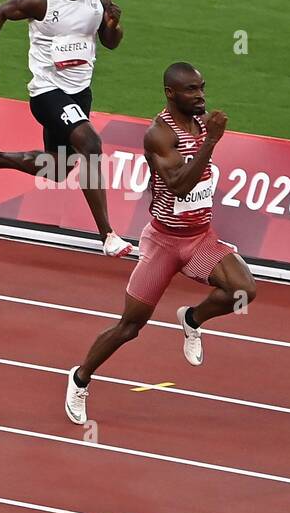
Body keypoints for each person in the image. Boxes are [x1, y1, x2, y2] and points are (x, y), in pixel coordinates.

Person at [64, 63, 257, 423]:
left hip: (200, 238)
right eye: (191, 90)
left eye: (202, 87)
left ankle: (193, 319)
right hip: (164, 243)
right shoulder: (159, 134)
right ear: (170, 94)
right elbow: (180, 184)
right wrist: (213, 141)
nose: (200, 95)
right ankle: (80, 378)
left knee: (243, 290)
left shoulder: (200, 124)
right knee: (130, 327)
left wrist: (208, 136)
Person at [0, 0, 132, 258]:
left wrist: (113, 26)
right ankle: (108, 235)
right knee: (91, 145)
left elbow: (111, 43)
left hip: (80, 92)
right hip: (47, 92)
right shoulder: (39, 0)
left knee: (56, 168)